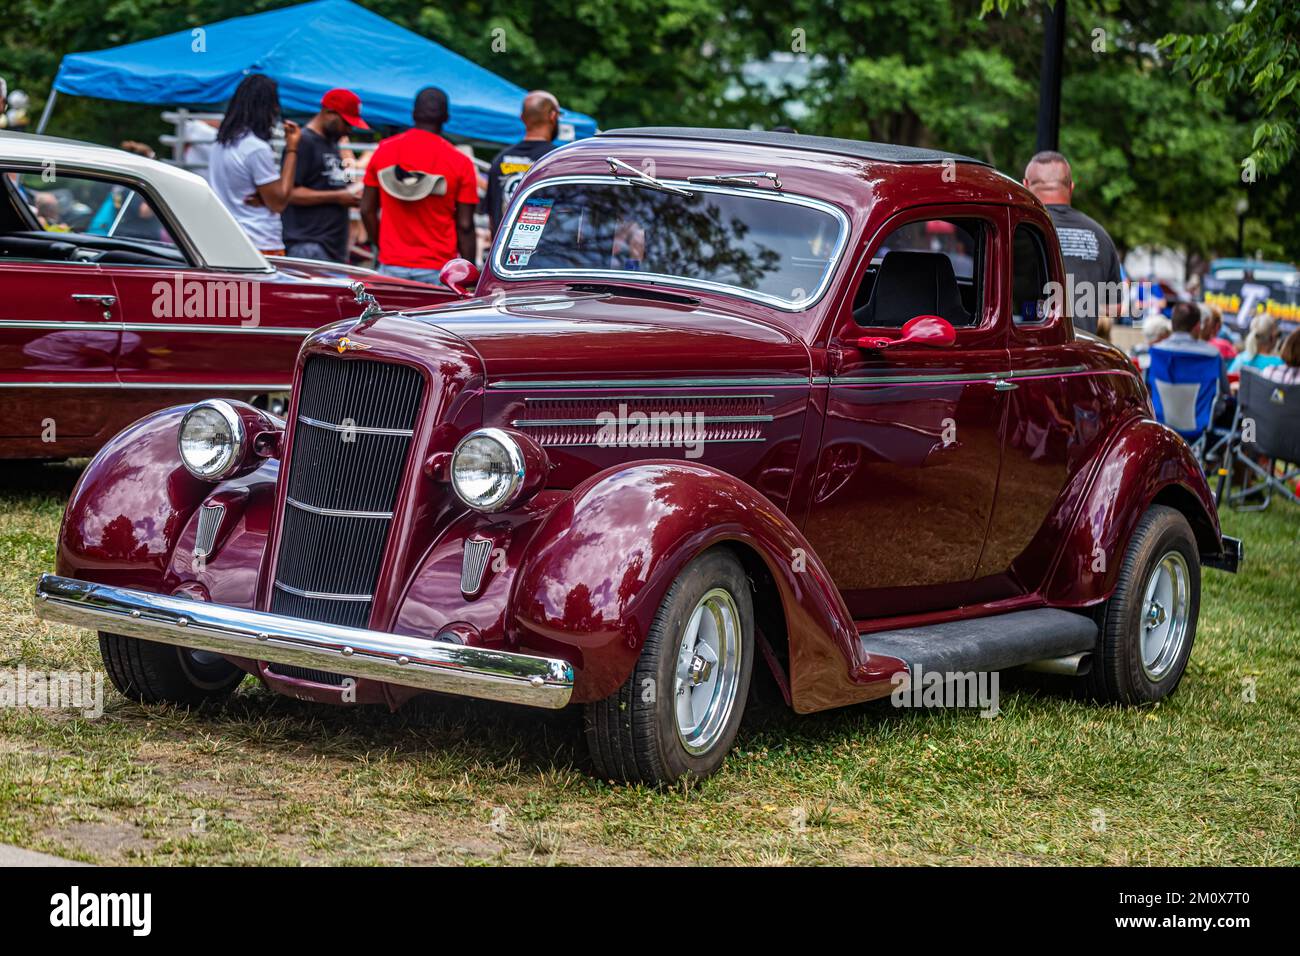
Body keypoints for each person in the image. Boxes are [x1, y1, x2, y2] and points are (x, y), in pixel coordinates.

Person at [361, 87, 478, 284]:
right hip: (438, 269)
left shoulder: (384, 151)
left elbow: (366, 210)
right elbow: (465, 226)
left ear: (413, 114)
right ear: (446, 117)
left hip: (391, 266)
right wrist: (470, 277)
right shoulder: (460, 162)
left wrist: (383, 246)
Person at [1022, 150, 1123, 335]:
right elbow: (1114, 306)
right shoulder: (1100, 235)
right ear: (1071, 187)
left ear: (1026, 185)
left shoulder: (1017, 231)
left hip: (1024, 353)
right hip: (1076, 354)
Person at [208, 74, 300, 256]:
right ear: (267, 108)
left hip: (227, 239)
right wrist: (292, 149)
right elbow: (279, 202)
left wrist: (263, 194)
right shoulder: (256, 148)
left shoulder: (219, 144)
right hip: (260, 242)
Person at [282, 89, 368, 262]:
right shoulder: (303, 142)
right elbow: (290, 193)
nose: (348, 130)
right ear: (329, 113)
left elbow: (328, 181)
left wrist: (352, 189)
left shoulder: (331, 143)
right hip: (308, 244)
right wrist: (338, 197)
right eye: (346, 123)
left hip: (331, 246)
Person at [486, 91, 560, 236]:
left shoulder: (500, 160)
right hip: (548, 253)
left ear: (522, 118)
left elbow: (491, 217)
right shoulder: (558, 160)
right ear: (553, 116)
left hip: (503, 255)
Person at [1153, 300, 1230, 399]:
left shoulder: (1155, 352)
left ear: (1172, 324)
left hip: (1160, 414)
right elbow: (1225, 393)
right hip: (1203, 414)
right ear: (1198, 327)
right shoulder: (1213, 356)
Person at [1228, 313, 1284, 377]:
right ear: (1272, 338)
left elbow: (1229, 381)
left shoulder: (1241, 359)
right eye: (1278, 335)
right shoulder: (1280, 365)